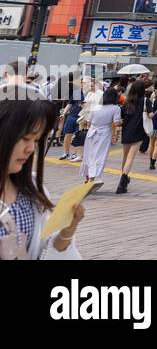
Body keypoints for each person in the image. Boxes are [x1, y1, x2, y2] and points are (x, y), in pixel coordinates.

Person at [0, 84, 85, 259]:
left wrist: (68, 230)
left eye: (36, 140)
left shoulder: (32, 192)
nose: (31, 148)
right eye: (25, 138)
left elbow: (42, 251)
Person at [80, 87, 120, 183]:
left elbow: (88, 121)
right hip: (104, 133)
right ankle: (92, 178)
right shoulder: (115, 108)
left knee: (89, 154)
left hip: (92, 132)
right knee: (99, 155)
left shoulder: (96, 106)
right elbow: (116, 123)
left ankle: (87, 175)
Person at [114, 80, 148, 194]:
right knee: (130, 157)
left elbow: (123, 115)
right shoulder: (145, 101)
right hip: (138, 131)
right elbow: (150, 115)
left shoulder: (127, 101)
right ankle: (123, 182)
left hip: (126, 130)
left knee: (125, 156)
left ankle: (122, 179)